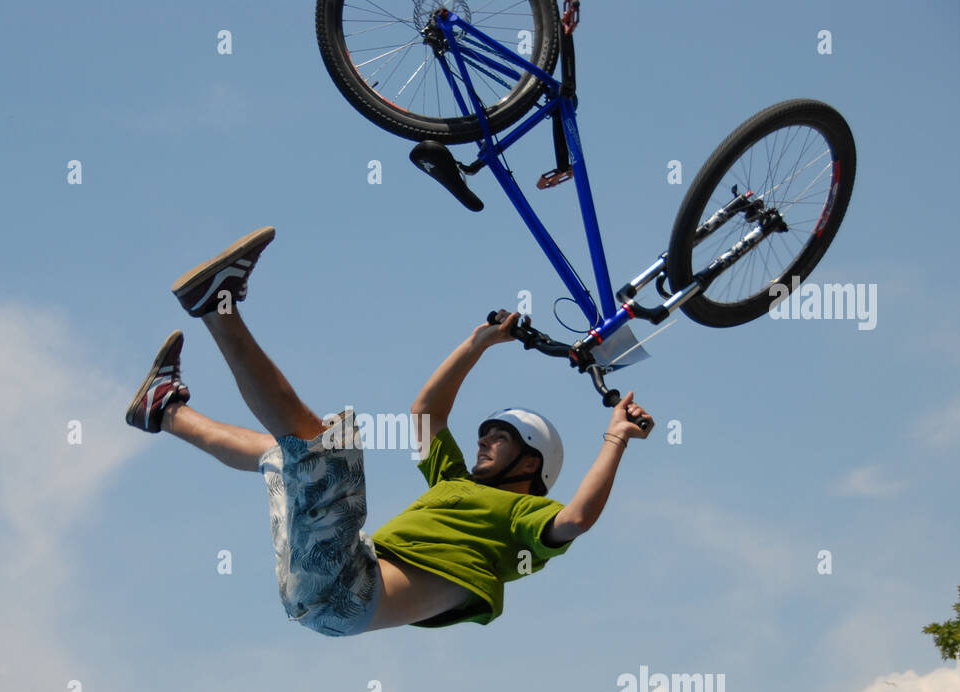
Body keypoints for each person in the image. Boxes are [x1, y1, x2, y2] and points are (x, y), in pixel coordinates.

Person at [126, 227, 653, 637]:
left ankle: (218, 307)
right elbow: (426, 413)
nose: (483, 441)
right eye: (486, 432)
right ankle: (166, 409)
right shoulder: (454, 486)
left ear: (531, 464)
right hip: (325, 586)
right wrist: (477, 345)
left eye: (501, 437)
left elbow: (577, 519)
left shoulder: (522, 517)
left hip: (346, 591)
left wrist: (615, 439)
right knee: (286, 452)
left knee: (323, 442)